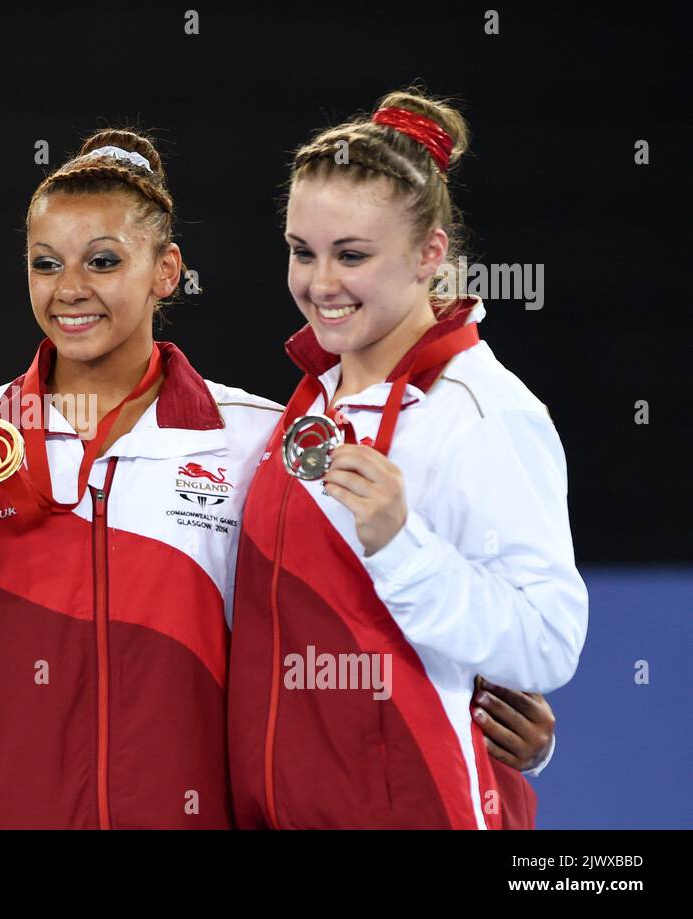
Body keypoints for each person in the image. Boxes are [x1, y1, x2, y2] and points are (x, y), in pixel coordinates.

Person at [0, 129, 559, 829]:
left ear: (166, 270)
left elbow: (339, 635)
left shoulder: (260, 441)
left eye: (104, 261)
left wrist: (501, 737)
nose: (70, 289)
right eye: (45, 263)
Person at [227, 89, 587, 829]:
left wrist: (402, 544)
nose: (320, 284)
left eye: (351, 255)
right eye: (303, 251)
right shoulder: (307, 403)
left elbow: (547, 640)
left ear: (431, 255)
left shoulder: (482, 411)